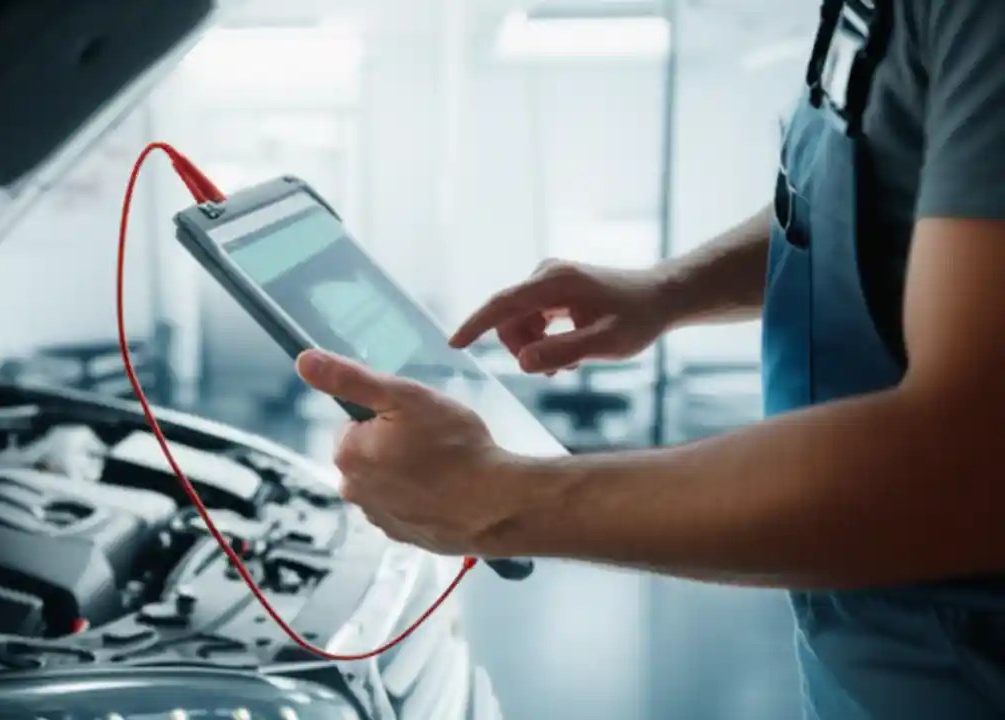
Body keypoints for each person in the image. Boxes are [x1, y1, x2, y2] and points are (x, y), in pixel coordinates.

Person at [294, 1, 1005, 717]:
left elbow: (963, 465)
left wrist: (503, 500)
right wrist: (668, 291)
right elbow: (887, 197)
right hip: (865, 654)